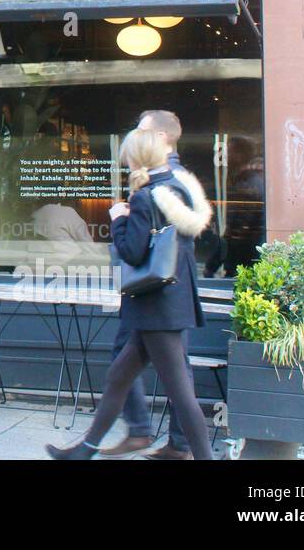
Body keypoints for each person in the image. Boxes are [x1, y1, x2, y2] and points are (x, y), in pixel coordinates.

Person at [46, 127, 214, 460]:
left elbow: (132, 252)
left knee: (180, 393)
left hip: (154, 307)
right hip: (170, 302)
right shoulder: (178, 187)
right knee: (119, 376)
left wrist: (118, 220)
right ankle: (85, 449)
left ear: (136, 157)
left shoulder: (144, 196)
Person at [101, 109, 211, 459]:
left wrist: (120, 221)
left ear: (160, 139)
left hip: (154, 297)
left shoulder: (159, 184)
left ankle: (159, 438)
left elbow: (135, 250)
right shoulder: (176, 179)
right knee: (168, 373)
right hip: (165, 295)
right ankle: (154, 438)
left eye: (142, 131)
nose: (136, 136)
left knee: (175, 379)